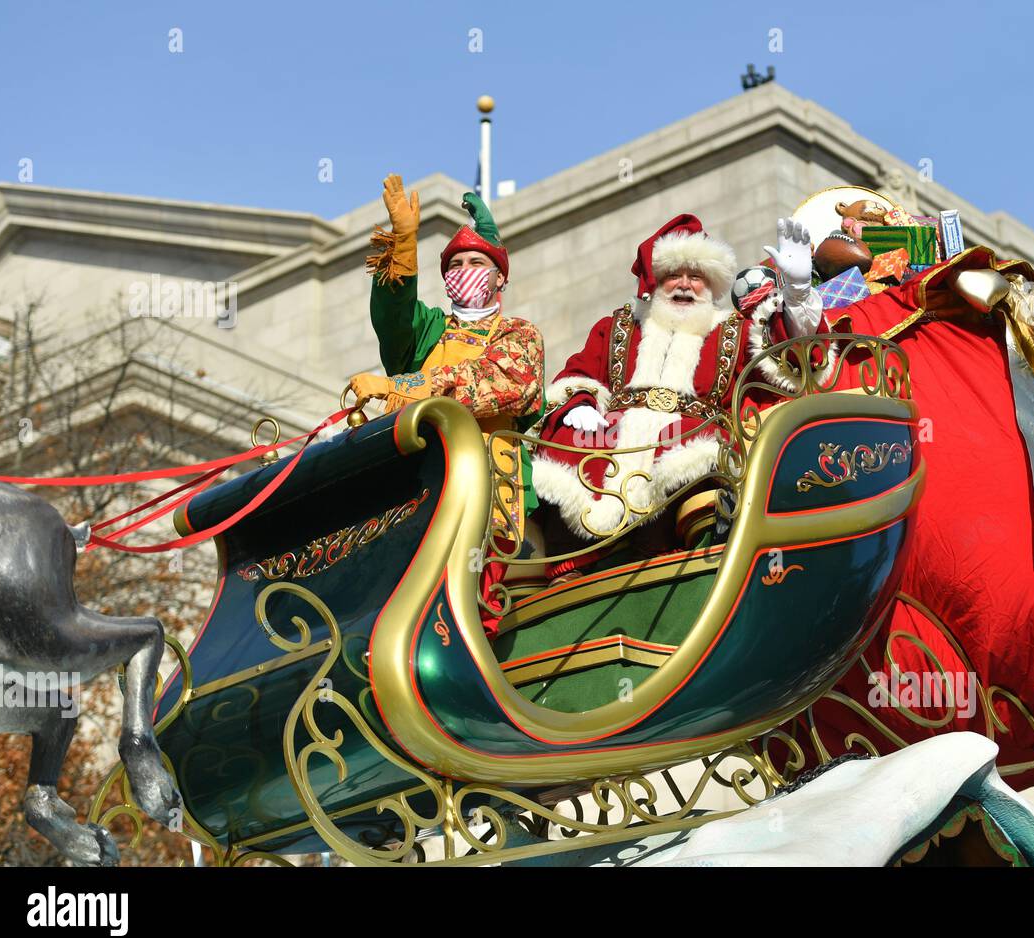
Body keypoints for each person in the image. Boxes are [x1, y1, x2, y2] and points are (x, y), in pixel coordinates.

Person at [531, 214, 829, 578]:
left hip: (690, 437)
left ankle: (680, 559)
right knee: (568, 441)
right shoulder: (619, 325)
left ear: (712, 284)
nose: (685, 285)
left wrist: (798, 294)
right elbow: (578, 372)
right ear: (657, 280)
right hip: (612, 433)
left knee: (694, 458)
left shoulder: (736, 332)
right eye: (675, 274)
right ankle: (570, 567)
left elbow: (793, 364)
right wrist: (581, 401)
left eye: (697, 277)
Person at [349, 174, 544, 632]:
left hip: (487, 497)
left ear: (500, 278)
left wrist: (407, 388)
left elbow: (505, 383)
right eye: (454, 265)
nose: (464, 271)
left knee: (470, 614)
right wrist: (402, 243)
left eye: (477, 262)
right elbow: (393, 319)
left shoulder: (519, 333)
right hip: (418, 491)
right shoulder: (428, 331)